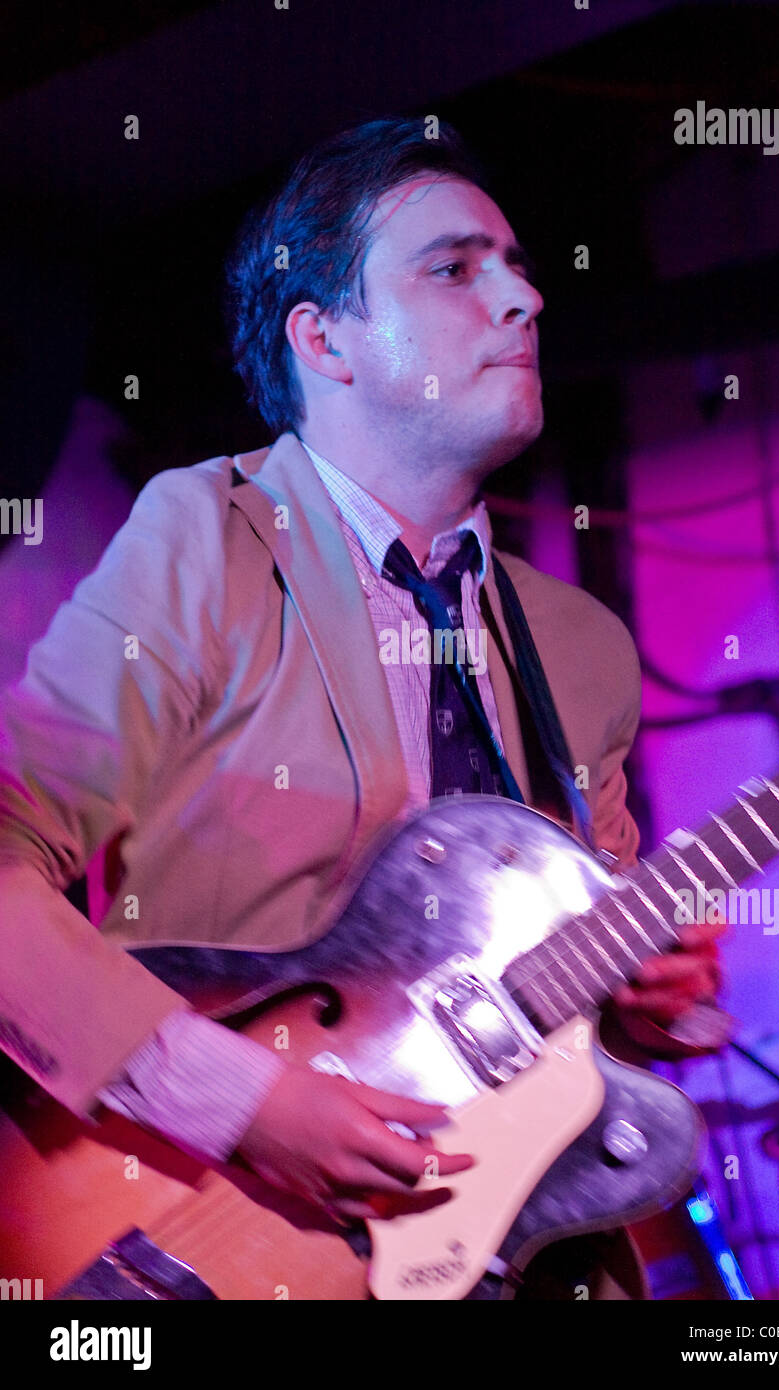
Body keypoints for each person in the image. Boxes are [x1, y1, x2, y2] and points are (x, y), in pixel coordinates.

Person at [0, 116, 723, 1294]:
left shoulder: (581, 648)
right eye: (454, 268)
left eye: (518, 266)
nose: (523, 299)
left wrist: (661, 1000)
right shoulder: (208, 541)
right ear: (323, 339)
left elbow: (585, 1013)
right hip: (205, 1234)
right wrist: (241, 1101)